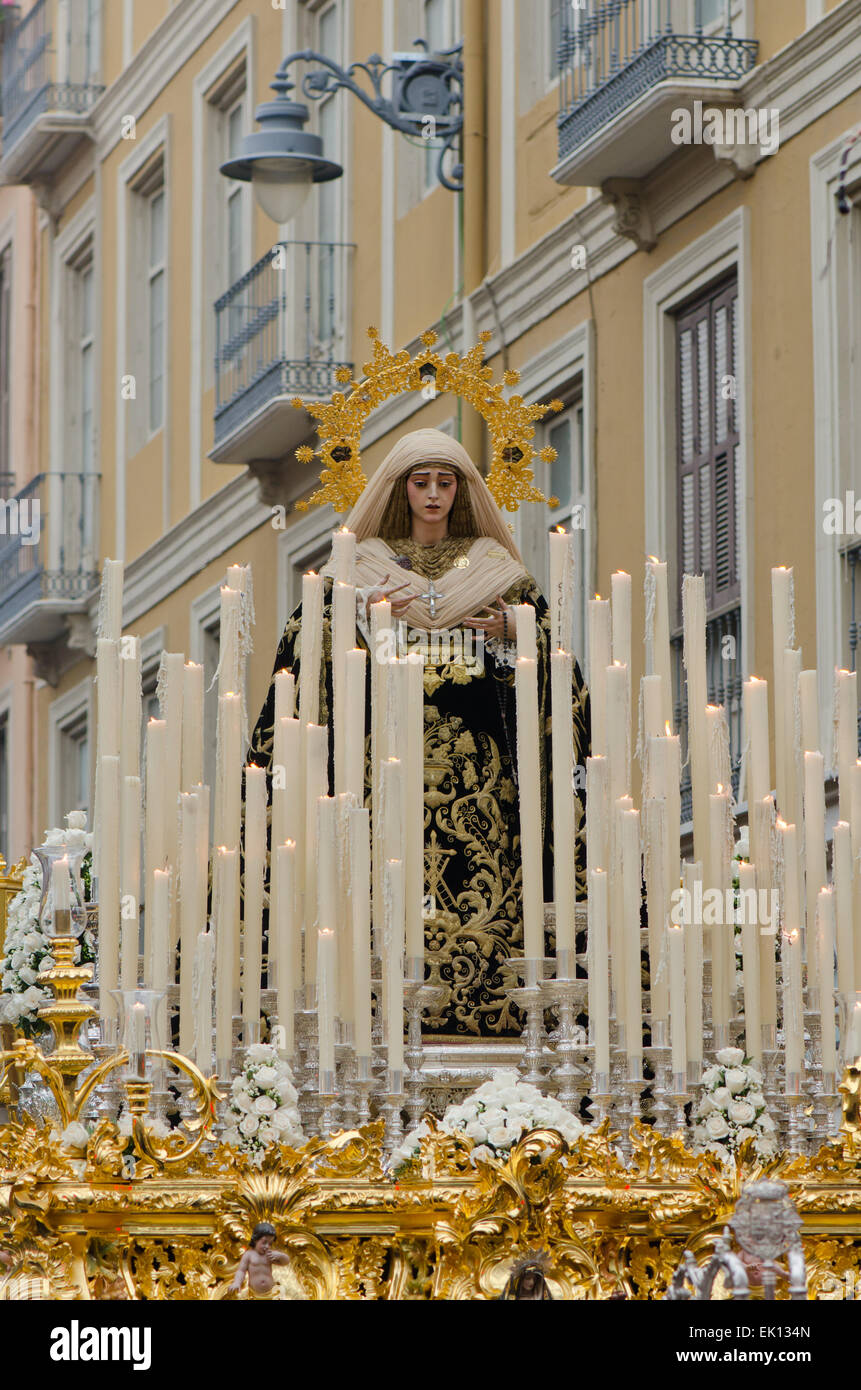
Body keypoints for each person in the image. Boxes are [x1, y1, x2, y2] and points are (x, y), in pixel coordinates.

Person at [247, 428, 589, 1038]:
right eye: (421, 481)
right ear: (400, 488)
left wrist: (516, 630)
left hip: (481, 788)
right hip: (383, 777)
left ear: (461, 490)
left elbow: (556, 671)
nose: (433, 494)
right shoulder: (360, 569)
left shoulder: (496, 570)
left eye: (445, 482)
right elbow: (303, 653)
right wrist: (358, 611)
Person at [229, 1222, 297, 1299]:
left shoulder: (269, 1255)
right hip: (254, 1293)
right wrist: (237, 1282)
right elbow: (241, 1271)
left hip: (271, 1292)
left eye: (270, 1244)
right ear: (255, 1240)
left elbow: (285, 1262)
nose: (267, 1246)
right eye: (264, 1242)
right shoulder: (249, 1255)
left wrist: (280, 1255)